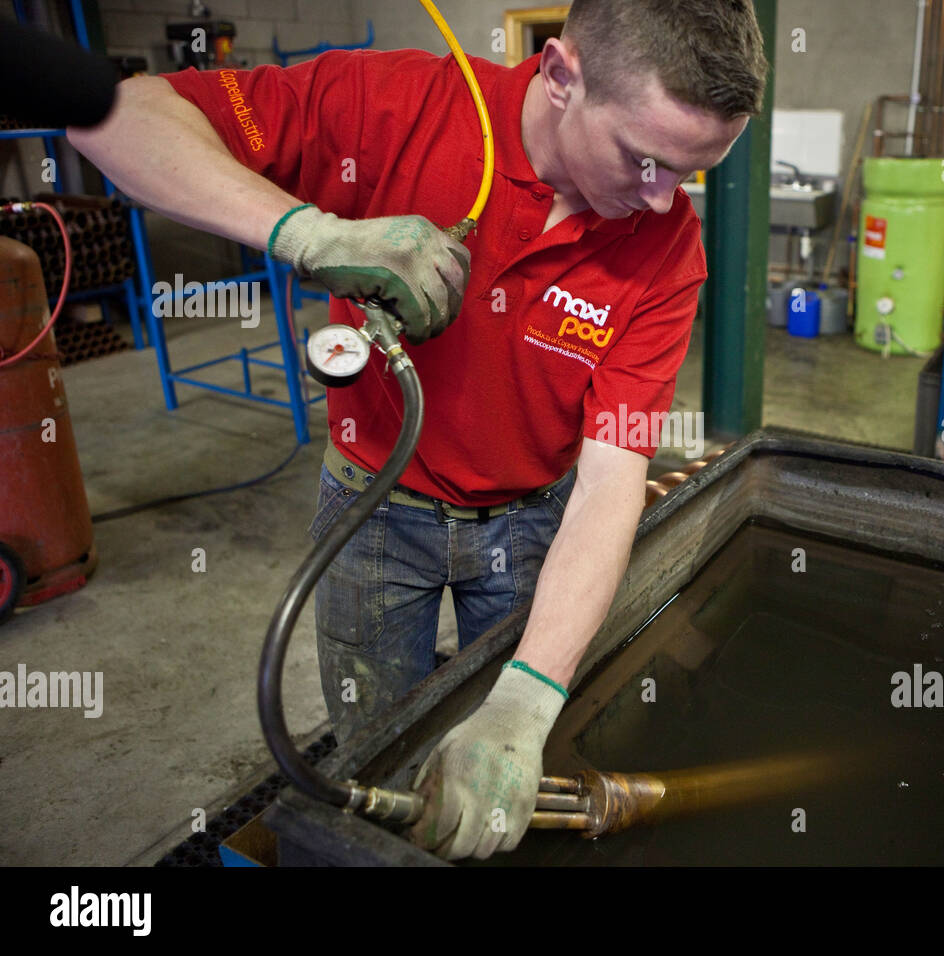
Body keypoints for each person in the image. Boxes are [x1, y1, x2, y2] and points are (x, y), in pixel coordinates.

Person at [67, 0, 767, 860]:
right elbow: (113, 117)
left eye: (692, 173)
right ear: (559, 76)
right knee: (377, 761)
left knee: (503, 772)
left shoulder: (667, 250)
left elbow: (613, 476)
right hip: (374, 513)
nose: (664, 199)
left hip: (530, 528)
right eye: (647, 159)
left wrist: (529, 700)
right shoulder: (390, 107)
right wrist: (308, 232)